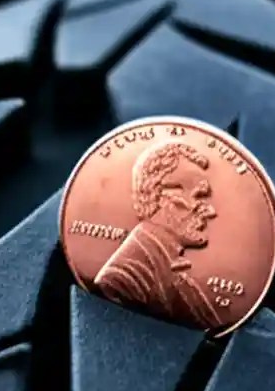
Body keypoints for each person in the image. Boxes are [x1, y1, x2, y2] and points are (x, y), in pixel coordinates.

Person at [95, 141, 222, 329]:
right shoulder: (122, 279)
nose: (209, 211)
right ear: (163, 198)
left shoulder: (179, 277)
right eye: (199, 196)